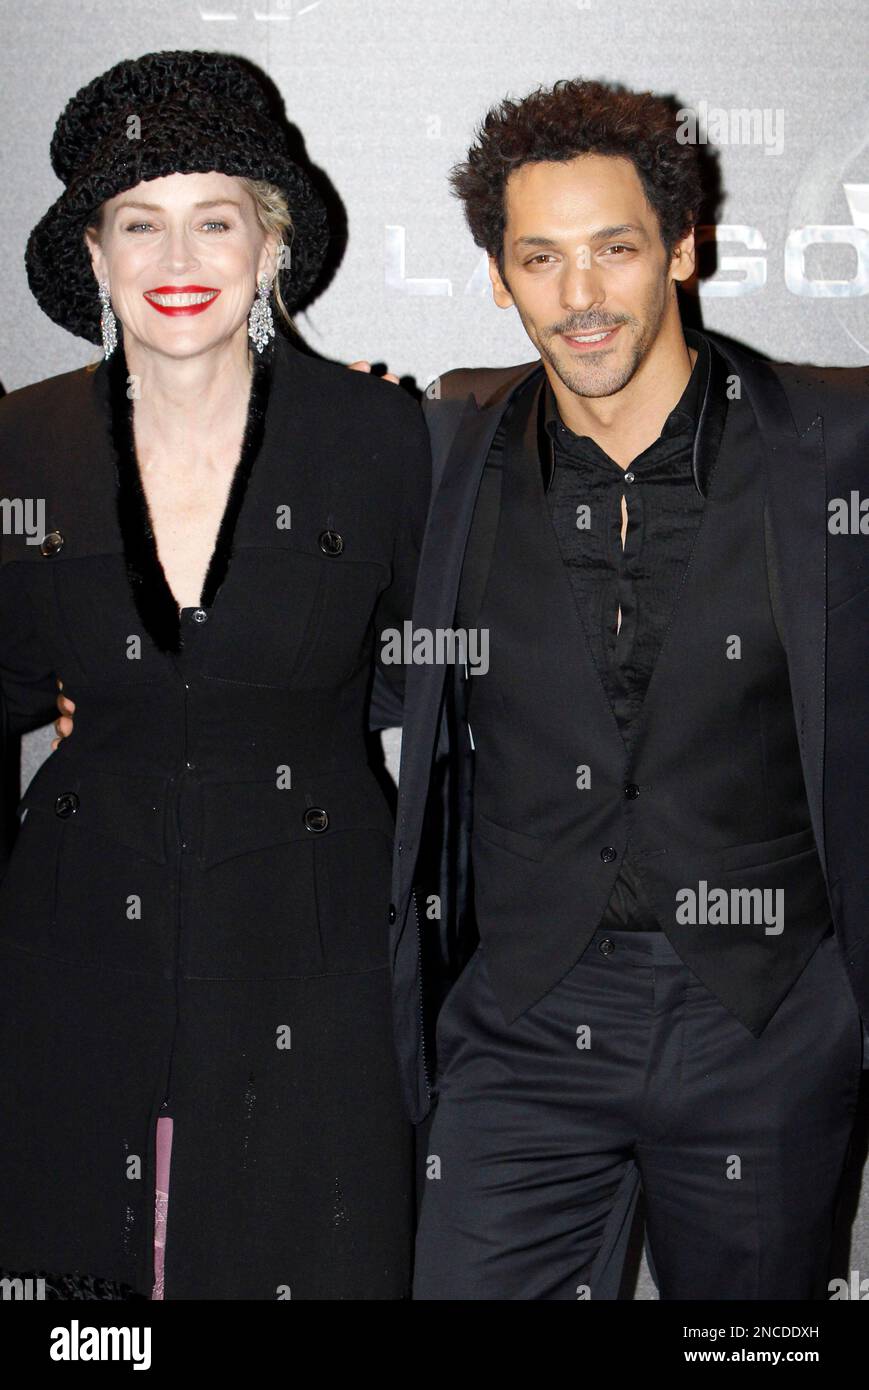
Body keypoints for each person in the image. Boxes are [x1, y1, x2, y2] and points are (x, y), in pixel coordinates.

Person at [383, 78, 869, 1299]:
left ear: (682, 251)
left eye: (613, 249)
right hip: (522, 1019)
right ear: (498, 276)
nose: (578, 295)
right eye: (537, 257)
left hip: (763, 1014)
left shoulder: (834, 443)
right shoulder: (440, 448)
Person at [0, 48, 430, 1300]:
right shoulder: (19, 441)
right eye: (140, 224)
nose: (177, 261)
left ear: (269, 245)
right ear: (93, 257)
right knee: (80, 1276)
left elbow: (437, 673)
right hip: (80, 919)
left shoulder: (379, 436)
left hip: (308, 924)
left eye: (214, 221)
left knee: (303, 1243)